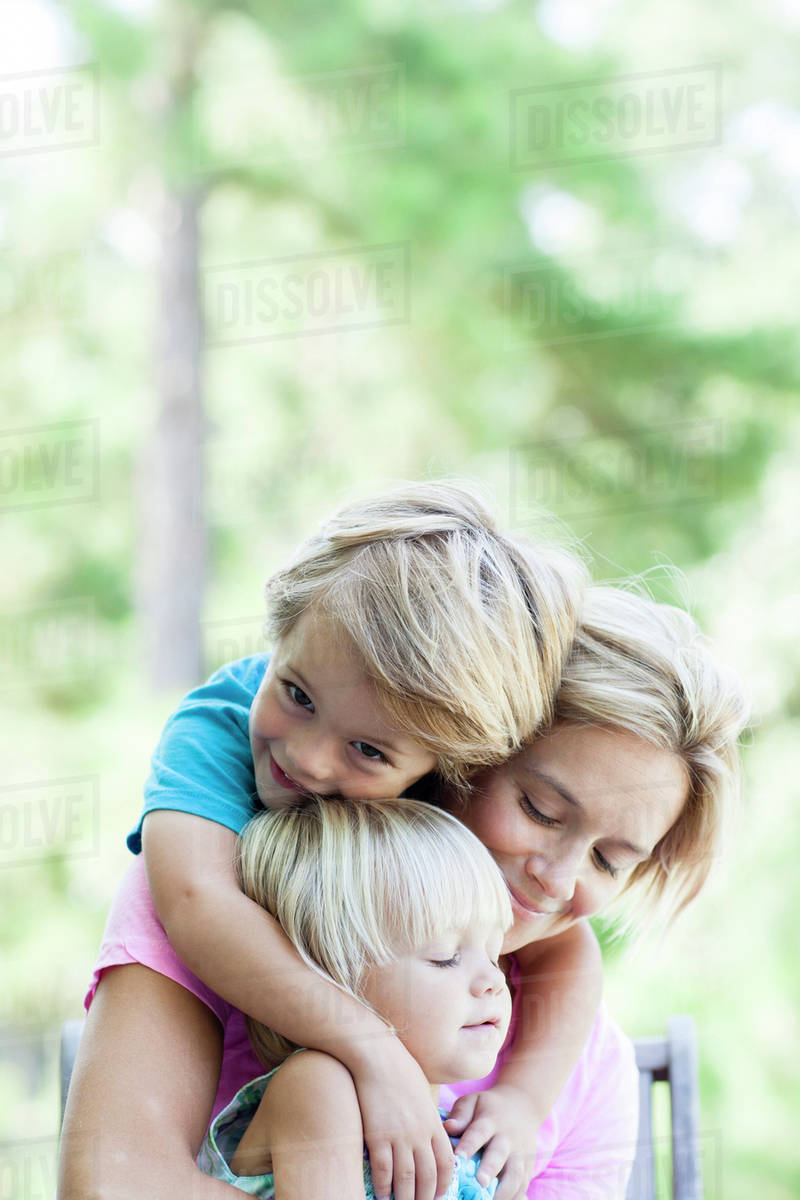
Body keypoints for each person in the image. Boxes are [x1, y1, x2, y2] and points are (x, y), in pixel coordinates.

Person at [57, 582, 747, 1200]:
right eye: (538, 810)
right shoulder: (223, 906)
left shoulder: (579, 1063)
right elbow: (110, 1186)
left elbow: (571, 950)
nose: (560, 879)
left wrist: (527, 1097)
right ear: (453, 747)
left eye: (608, 860)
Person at [84, 480, 598, 1200]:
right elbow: (196, 898)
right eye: (295, 693)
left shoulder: (431, 821)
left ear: (442, 774)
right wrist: (372, 1050)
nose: (306, 758)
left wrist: (524, 1099)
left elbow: (568, 947)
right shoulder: (219, 728)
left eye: (368, 750)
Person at [197, 794, 515, 1199]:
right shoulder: (316, 1086)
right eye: (445, 956)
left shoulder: (465, 1134)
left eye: (494, 954)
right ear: (330, 980)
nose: (493, 980)